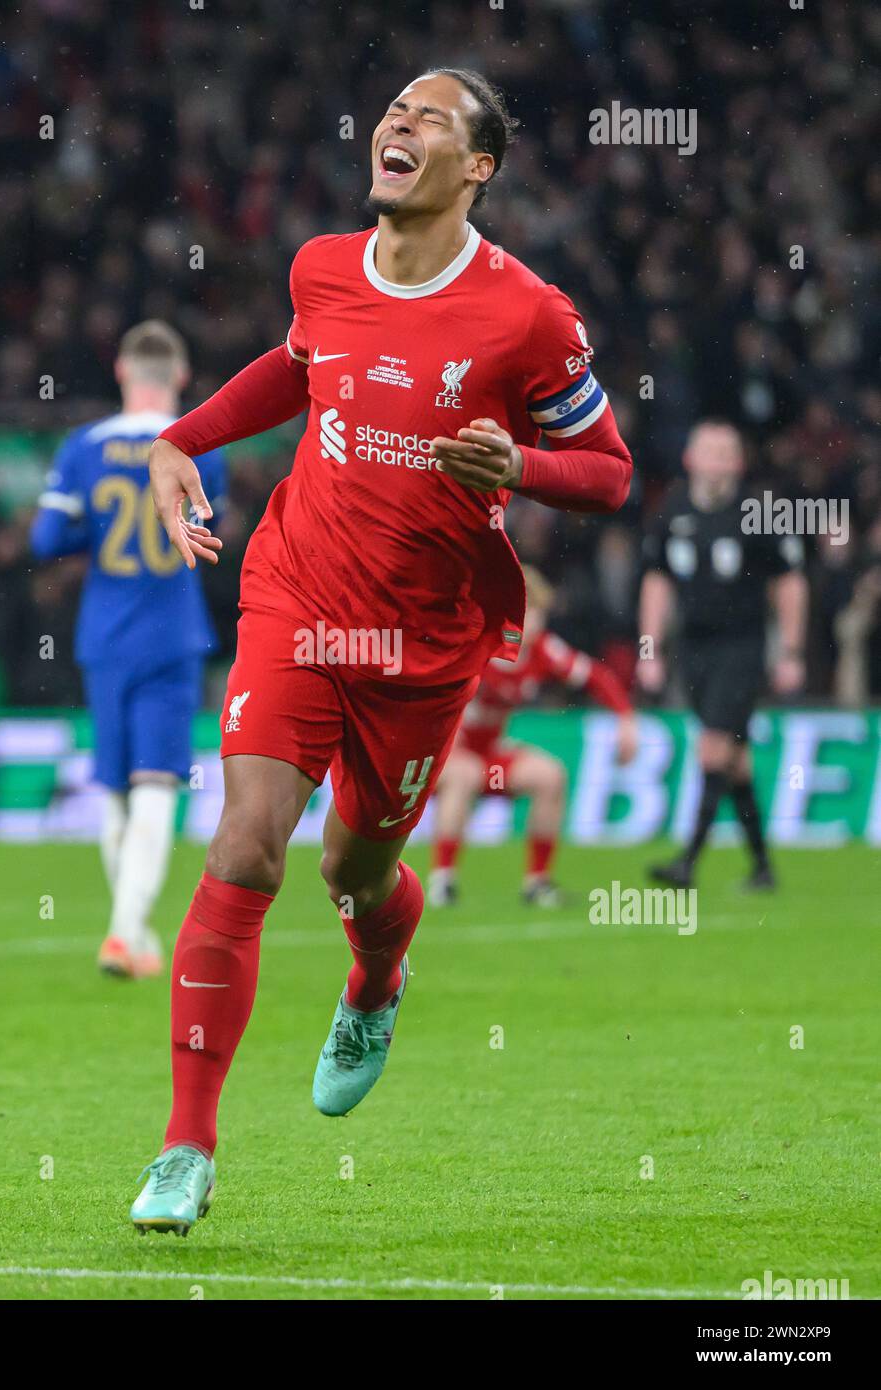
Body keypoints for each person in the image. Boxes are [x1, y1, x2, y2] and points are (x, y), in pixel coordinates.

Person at [131, 69, 632, 1235]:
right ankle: (185, 1147)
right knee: (248, 846)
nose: (395, 124)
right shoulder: (321, 266)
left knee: (353, 873)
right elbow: (294, 367)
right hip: (296, 594)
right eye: (392, 110)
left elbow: (607, 471)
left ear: (479, 168)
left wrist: (521, 468)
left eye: (428, 118)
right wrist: (181, 439)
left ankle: (374, 980)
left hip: (424, 640)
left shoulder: (529, 316)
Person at [30, 321, 226, 977]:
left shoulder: (83, 447)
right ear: (180, 377)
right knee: (156, 779)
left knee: (114, 784)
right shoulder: (202, 446)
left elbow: (45, 539)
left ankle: (130, 935)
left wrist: (95, 528)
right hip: (171, 631)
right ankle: (124, 932)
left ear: (121, 372)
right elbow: (206, 529)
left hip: (104, 635)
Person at [637, 420, 807, 890]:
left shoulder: (761, 510)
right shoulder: (672, 508)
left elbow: (789, 581)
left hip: (743, 645)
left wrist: (790, 651)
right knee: (735, 759)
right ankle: (763, 868)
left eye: (726, 450)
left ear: (739, 461)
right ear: (690, 458)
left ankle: (686, 863)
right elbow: (657, 579)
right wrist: (649, 649)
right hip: (693, 648)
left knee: (713, 746)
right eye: (708, 449)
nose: (718, 458)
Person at [429, 566, 638, 908]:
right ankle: (443, 881)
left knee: (550, 776)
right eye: (524, 612)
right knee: (463, 775)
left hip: (489, 755)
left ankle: (537, 883)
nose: (531, 622)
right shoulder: (478, 642)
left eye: (537, 612)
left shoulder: (544, 650)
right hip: (445, 754)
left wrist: (626, 718)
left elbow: (595, 676)